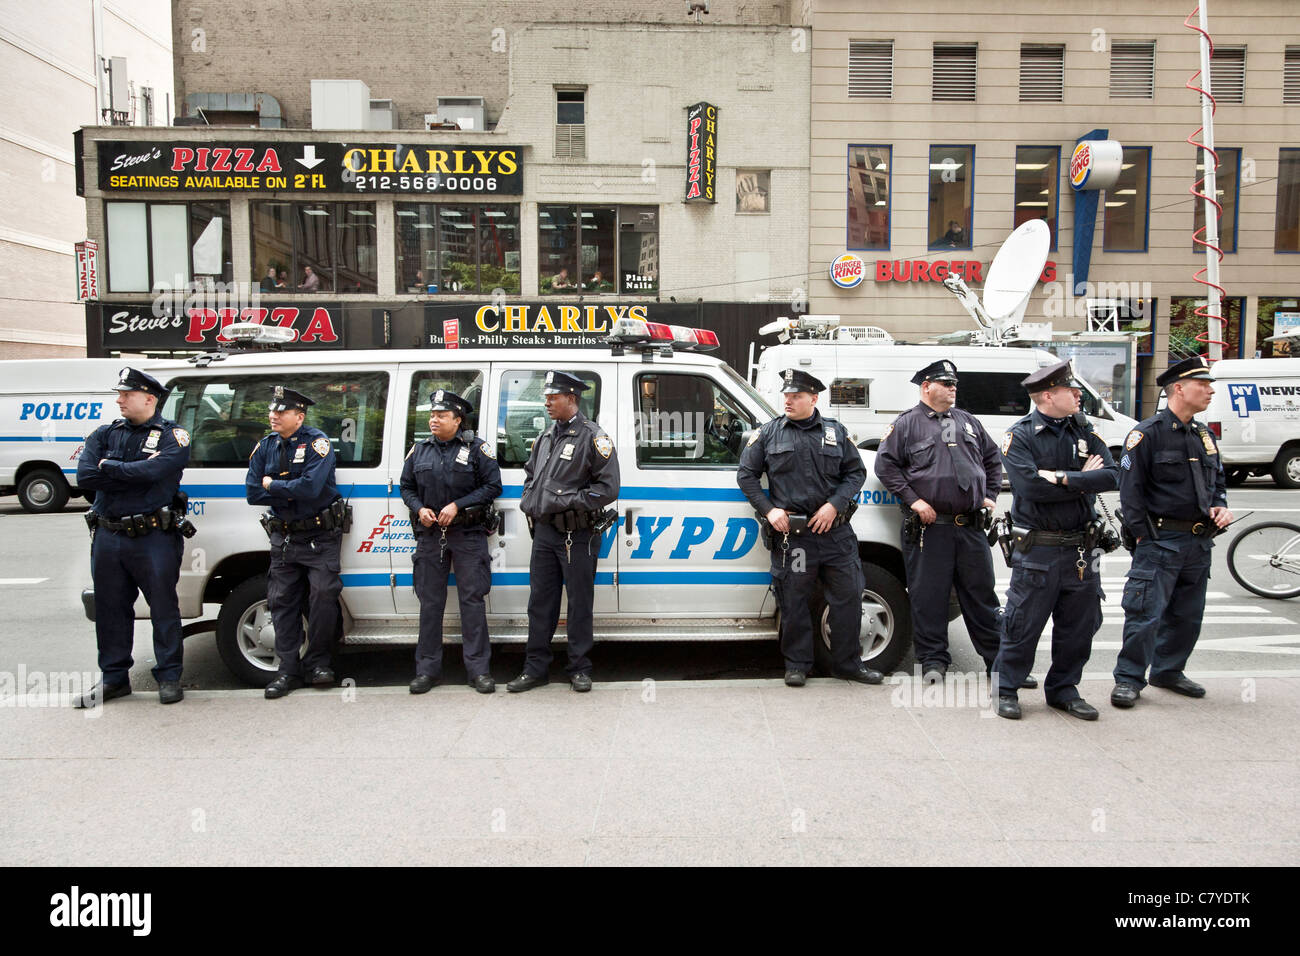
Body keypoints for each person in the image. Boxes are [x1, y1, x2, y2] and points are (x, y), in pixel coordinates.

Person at [874, 360, 1029, 686]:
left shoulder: (968, 421)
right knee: (929, 597)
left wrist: (989, 495)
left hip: (971, 527)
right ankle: (933, 661)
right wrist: (914, 501)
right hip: (931, 529)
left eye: (954, 383)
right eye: (946, 383)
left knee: (982, 597)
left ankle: (998, 663)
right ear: (926, 386)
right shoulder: (907, 424)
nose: (953, 388)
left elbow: (991, 459)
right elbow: (885, 466)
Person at [737, 368, 883, 687]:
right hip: (796, 539)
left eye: (796, 396)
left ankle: (848, 664)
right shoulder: (770, 433)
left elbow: (855, 474)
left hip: (835, 535)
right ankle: (797, 664)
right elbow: (746, 475)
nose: (788, 400)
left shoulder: (835, 431)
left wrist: (835, 505)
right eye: (786, 395)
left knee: (848, 599)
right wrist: (769, 510)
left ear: (813, 399)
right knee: (794, 600)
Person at [993, 360, 1118, 721]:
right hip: (1039, 548)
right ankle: (1006, 689)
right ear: (1048, 395)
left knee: (1079, 627)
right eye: (1071, 390)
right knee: (1022, 624)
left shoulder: (1083, 430)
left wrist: (1062, 478)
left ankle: (1064, 690)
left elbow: (1113, 477)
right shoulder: (1021, 436)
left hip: (1082, 547)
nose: (1079, 395)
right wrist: (1083, 478)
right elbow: (1030, 487)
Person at [1111, 356, 1232, 709]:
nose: (1210, 391)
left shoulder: (1203, 435)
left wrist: (1220, 504)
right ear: (1178, 388)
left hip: (1198, 541)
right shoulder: (1146, 434)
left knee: (1187, 614)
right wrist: (1144, 538)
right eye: (1203, 385)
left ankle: (1168, 670)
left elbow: (1218, 482)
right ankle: (1129, 679)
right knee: (1145, 612)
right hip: (1160, 540)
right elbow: (1130, 493)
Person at [74, 368, 191, 707]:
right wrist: (129, 473)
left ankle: (169, 677)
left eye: (126, 394)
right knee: (110, 609)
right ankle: (113, 679)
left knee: (163, 608)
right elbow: (85, 476)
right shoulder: (104, 434)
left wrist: (109, 468)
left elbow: (156, 472)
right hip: (109, 535)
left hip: (153, 536)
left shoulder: (173, 436)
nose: (119, 400)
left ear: (149, 398)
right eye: (120, 394)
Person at [507, 371, 619, 693]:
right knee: (540, 603)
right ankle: (535, 669)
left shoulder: (593, 438)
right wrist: (531, 498)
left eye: (552, 397)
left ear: (571, 398)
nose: (546, 402)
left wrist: (566, 501)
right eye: (546, 396)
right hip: (544, 534)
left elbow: (608, 488)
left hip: (577, 534)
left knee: (580, 603)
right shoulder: (545, 438)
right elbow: (531, 475)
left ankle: (580, 669)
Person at [245, 386, 346, 699]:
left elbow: (313, 488)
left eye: (281, 411)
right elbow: (252, 493)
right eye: (272, 411)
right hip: (285, 536)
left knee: (323, 598)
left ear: (299, 416)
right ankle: (286, 671)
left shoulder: (317, 443)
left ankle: (319, 663)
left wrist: (273, 484)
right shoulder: (265, 446)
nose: (273, 416)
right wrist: (290, 487)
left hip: (319, 536)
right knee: (282, 602)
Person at [400, 389, 502, 695]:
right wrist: (419, 508)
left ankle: (478, 671)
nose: (434, 420)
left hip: (468, 535)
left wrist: (458, 505)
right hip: (431, 537)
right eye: (432, 415)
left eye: (441, 416)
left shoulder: (477, 450)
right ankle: (427, 671)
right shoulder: (419, 451)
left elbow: (492, 486)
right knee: (430, 604)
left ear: (458, 420)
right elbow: (406, 487)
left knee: (472, 602)